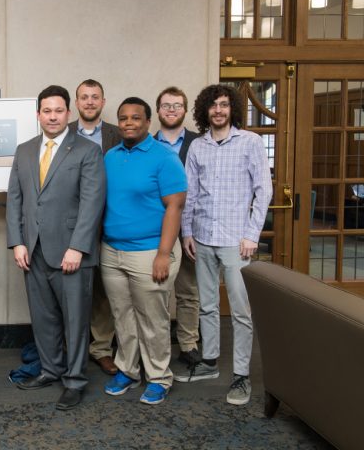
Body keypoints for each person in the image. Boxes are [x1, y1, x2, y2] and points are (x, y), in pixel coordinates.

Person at [6, 84, 106, 411]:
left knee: (75, 320)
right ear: (38, 115)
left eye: (58, 110)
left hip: (70, 253)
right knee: (43, 318)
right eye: (46, 111)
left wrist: (78, 247)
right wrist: (17, 242)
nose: (52, 116)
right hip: (32, 251)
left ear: (69, 113)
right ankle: (50, 370)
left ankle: (75, 380)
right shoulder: (24, 150)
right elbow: (15, 200)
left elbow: (93, 202)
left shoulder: (87, 151)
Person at [175, 84, 272, 406]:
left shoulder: (250, 143)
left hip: (235, 242)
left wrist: (251, 235)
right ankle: (210, 362)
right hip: (202, 237)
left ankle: (242, 376)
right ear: (205, 111)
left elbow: (264, 191)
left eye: (224, 105)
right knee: (207, 305)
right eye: (213, 106)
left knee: (241, 312)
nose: (218, 111)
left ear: (233, 109)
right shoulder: (198, 147)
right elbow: (188, 193)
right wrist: (187, 231)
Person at [101, 97, 187, 405]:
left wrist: (164, 254)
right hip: (111, 252)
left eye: (135, 117)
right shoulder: (110, 156)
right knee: (122, 316)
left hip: (150, 252)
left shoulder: (164, 158)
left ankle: (159, 376)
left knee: (152, 319)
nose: (128, 122)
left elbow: (175, 207)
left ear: (148, 122)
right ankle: (127, 369)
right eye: (123, 118)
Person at [68, 78, 122, 375]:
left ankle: (101, 348)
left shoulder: (117, 135)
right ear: (76, 103)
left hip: (108, 222)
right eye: (84, 97)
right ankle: (71, 347)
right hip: (70, 224)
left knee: (103, 288)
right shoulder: (62, 134)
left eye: (95, 97)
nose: (89, 102)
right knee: (71, 288)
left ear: (103, 102)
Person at [153, 86, 202, 367]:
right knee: (156, 291)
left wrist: (190, 231)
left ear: (185, 110)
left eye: (177, 105)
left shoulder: (199, 143)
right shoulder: (147, 144)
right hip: (157, 230)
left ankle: (188, 343)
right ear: (157, 110)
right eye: (166, 105)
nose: (171, 110)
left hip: (190, 230)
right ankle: (156, 346)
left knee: (188, 290)